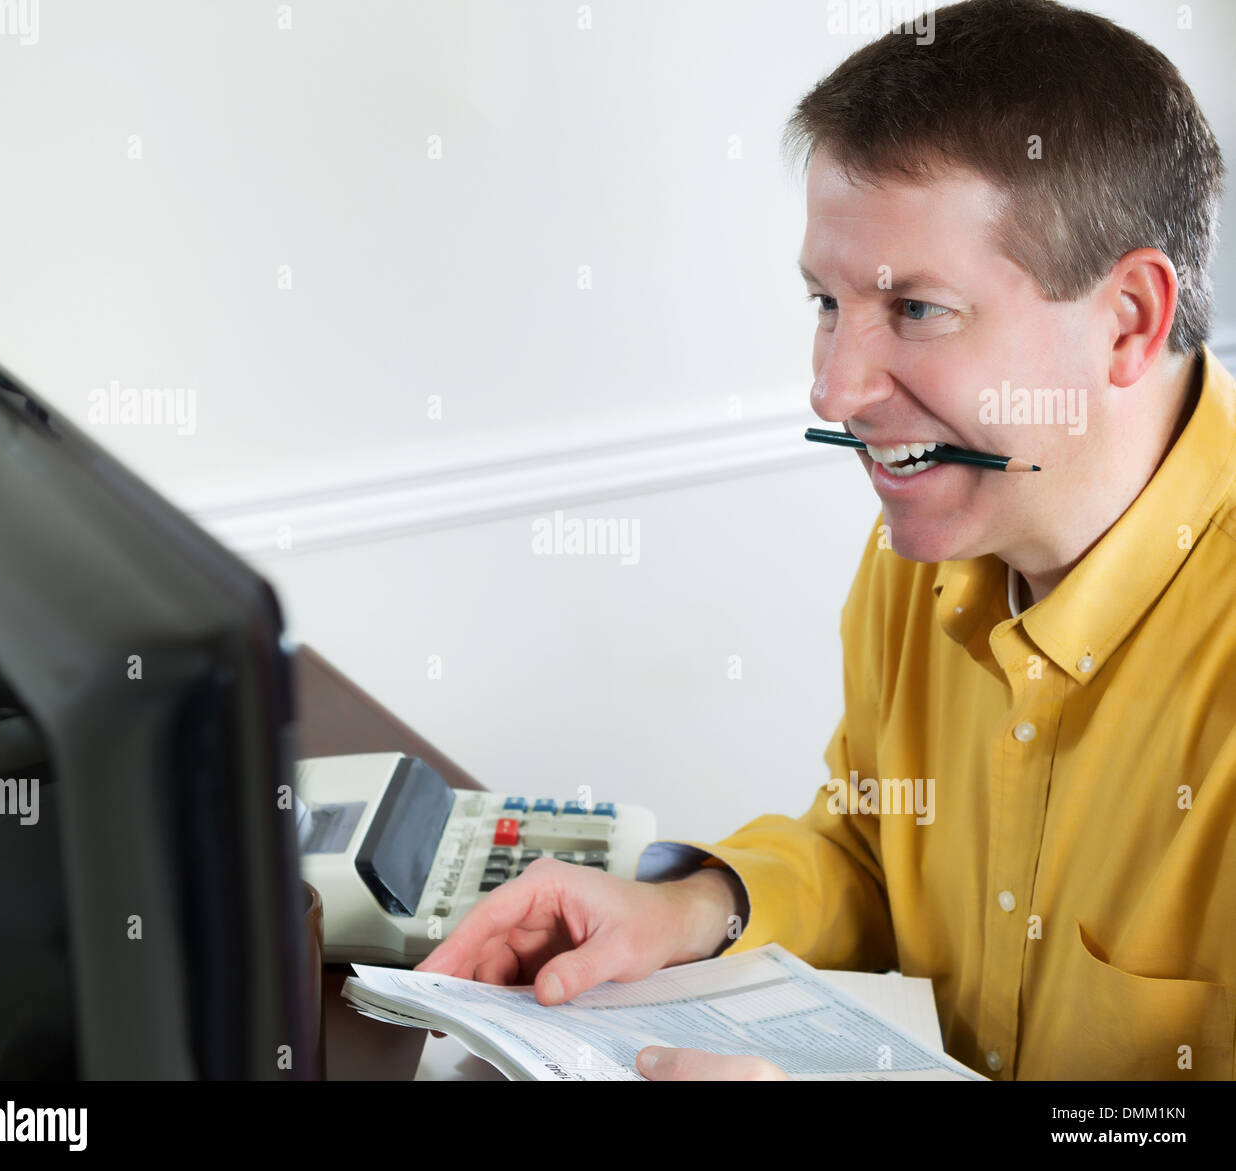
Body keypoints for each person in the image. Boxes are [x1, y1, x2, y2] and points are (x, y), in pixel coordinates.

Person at [417, 0, 1235, 1080]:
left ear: (1127, 319)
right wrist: (692, 907)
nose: (834, 389)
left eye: (917, 310)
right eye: (825, 302)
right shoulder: (932, 544)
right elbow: (874, 845)